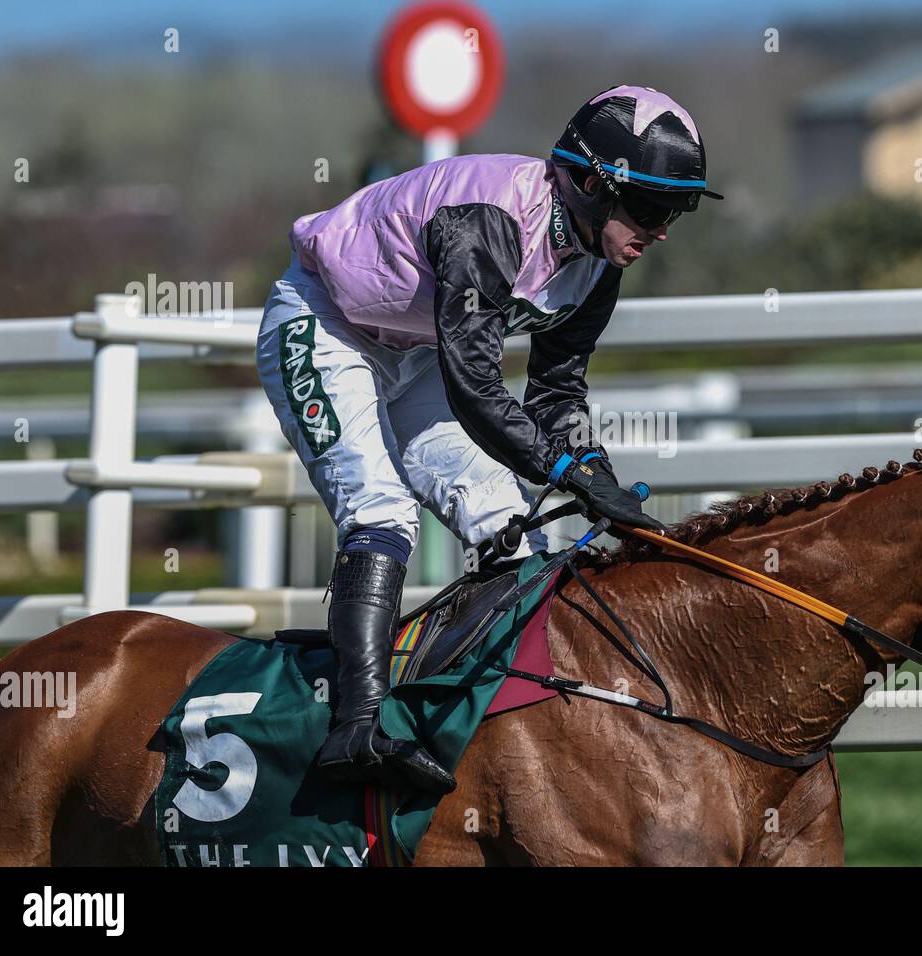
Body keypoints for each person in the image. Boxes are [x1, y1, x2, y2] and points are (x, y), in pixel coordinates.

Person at [255, 85, 722, 793]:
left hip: (416, 354)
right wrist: (569, 470)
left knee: (514, 526)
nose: (661, 231)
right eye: (654, 208)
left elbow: (557, 394)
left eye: (678, 213)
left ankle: (499, 718)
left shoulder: (600, 262)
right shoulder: (489, 221)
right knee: (381, 510)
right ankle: (357, 727)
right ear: (594, 184)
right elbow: (478, 390)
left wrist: (598, 475)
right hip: (325, 325)